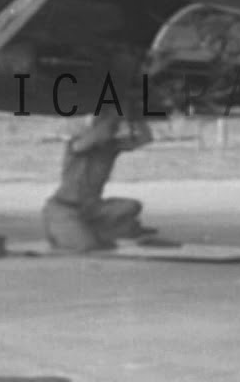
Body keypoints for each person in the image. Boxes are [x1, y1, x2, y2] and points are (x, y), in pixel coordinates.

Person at [42, 62, 157, 252]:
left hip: (91, 208)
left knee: (132, 207)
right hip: (65, 208)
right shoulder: (78, 144)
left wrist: (137, 118)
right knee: (88, 247)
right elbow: (96, 135)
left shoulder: (110, 148)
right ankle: (71, 232)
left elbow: (145, 139)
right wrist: (114, 114)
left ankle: (93, 230)